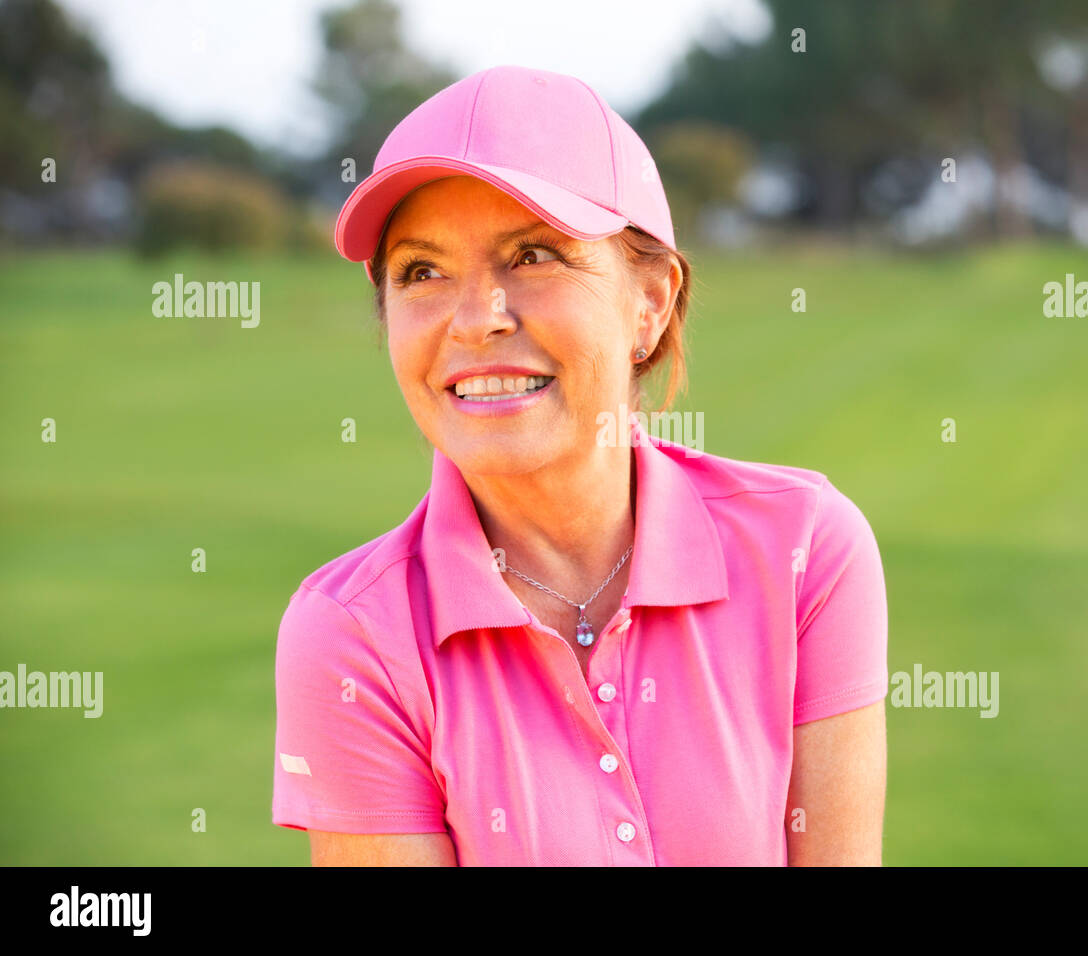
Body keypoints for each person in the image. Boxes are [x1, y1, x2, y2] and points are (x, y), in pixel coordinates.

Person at [272, 65, 888, 866]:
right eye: (420, 271)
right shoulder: (353, 634)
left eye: (532, 255)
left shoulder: (806, 550)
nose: (475, 320)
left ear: (650, 302)